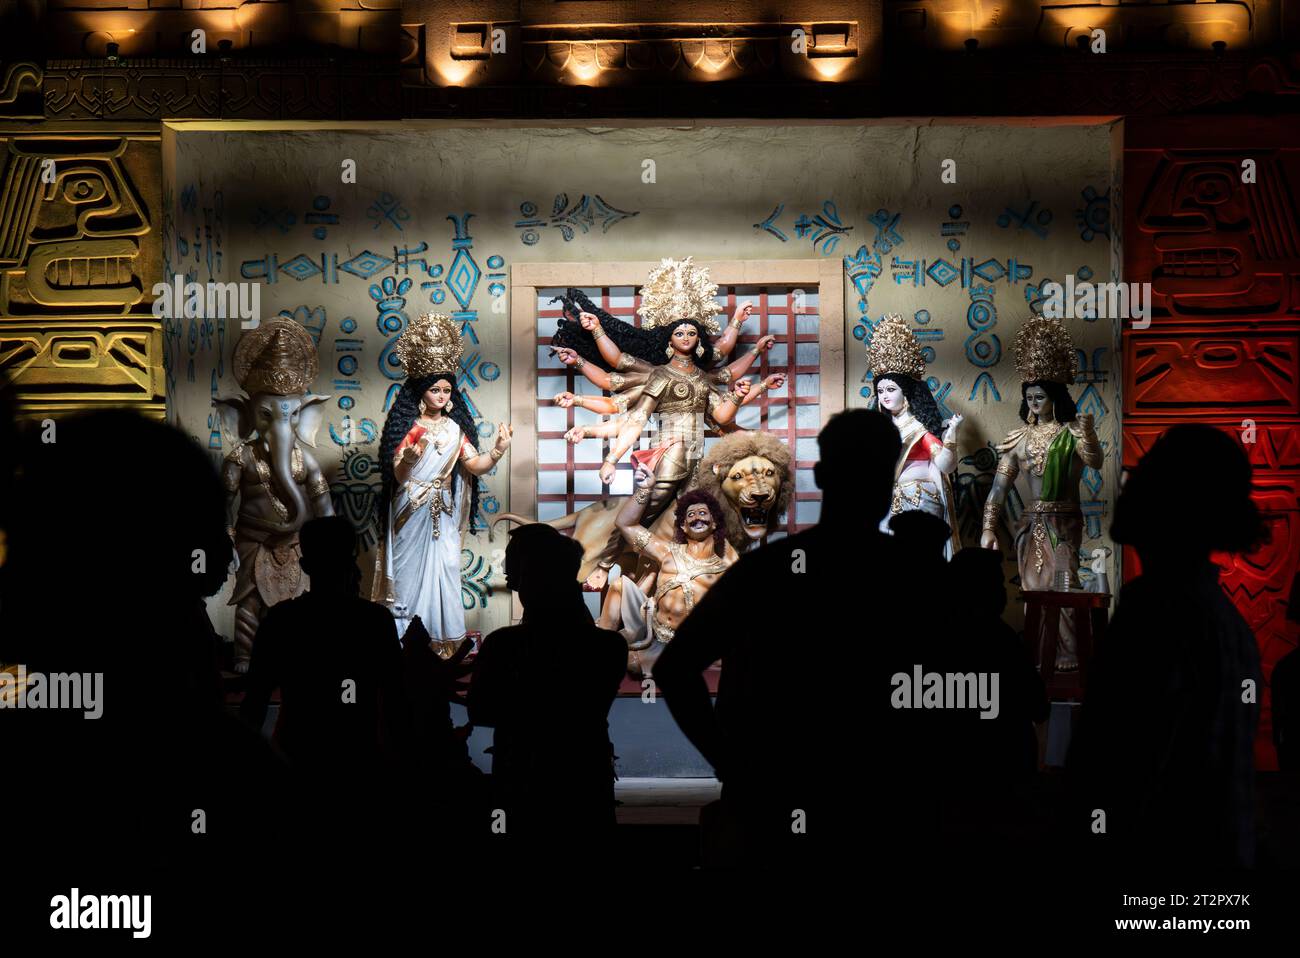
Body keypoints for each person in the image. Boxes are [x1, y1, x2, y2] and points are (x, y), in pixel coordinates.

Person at [654, 408, 910, 866]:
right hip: (881, 799)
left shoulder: (768, 570)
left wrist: (728, 761)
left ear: (820, 472)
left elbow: (675, 668)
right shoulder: (917, 577)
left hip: (772, 789)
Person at [1069, 423, 1267, 870]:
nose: (1127, 481)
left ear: (1173, 501)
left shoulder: (1160, 613)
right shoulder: (1211, 613)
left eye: (1144, 473)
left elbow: (1120, 770)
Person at [548, 258, 780, 589]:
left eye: (691, 332)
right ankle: (605, 563)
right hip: (668, 457)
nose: (685, 336)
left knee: (693, 524)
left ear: (698, 340)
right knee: (637, 513)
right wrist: (612, 458)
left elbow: (722, 417)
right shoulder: (660, 375)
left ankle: (679, 581)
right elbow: (637, 417)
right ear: (669, 341)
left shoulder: (702, 378)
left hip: (697, 464)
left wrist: (740, 394)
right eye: (679, 332)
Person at [467, 523, 626, 862]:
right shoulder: (609, 647)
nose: (512, 584)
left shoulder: (504, 646)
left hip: (520, 776)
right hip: (585, 778)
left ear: (531, 581)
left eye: (517, 576)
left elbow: (481, 711)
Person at [374, 312, 513, 653]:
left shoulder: (454, 429)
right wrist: (408, 457)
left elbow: (473, 465)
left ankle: (443, 639)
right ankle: (404, 643)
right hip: (410, 508)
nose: (439, 395)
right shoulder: (408, 427)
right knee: (407, 575)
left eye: (445, 390)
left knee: (447, 570)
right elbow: (399, 476)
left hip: (444, 511)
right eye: (434, 389)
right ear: (421, 392)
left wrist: (496, 451)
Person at [980, 316, 1103, 671]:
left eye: (1041, 396)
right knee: (1034, 591)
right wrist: (989, 527)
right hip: (1030, 525)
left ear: (1055, 397)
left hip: (1064, 523)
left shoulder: (1072, 434)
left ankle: (1067, 655)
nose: (1034, 402)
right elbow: (999, 488)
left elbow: (1094, 462)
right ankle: (1038, 653)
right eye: (1030, 397)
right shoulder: (1017, 440)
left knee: (1064, 588)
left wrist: (1088, 434)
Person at [601, 465, 738, 677]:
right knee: (619, 586)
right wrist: (645, 489)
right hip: (654, 630)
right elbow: (625, 524)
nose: (697, 518)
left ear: (713, 524)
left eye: (703, 513)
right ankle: (599, 647)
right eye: (690, 515)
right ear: (683, 526)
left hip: (692, 643)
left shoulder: (725, 565)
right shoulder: (667, 552)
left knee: (636, 664)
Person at [865, 314, 963, 558]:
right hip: (887, 505)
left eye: (891, 389)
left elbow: (946, 465)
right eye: (880, 391)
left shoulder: (919, 430)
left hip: (919, 499)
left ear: (906, 393)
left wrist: (950, 436)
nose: (885, 396)